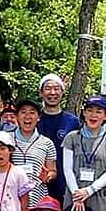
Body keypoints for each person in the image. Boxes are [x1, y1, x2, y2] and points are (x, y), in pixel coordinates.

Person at [36, 73, 81, 203]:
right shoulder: (33, 119)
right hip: (37, 182)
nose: (52, 92)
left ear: (62, 92)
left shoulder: (73, 121)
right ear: (41, 93)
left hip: (65, 182)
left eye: (56, 88)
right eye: (48, 88)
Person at [10, 98, 57, 208]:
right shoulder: (7, 139)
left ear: (38, 117)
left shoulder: (47, 143)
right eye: (23, 112)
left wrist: (48, 176)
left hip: (37, 198)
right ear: (16, 116)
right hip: (11, 198)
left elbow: (53, 171)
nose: (27, 116)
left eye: (32, 112)